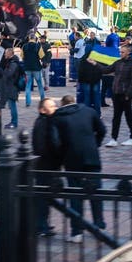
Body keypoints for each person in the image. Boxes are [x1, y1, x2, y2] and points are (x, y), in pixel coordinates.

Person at [52, 94, 107, 243]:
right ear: (74, 102)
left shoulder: (57, 117)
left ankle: (77, 232)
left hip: (72, 160)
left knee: (75, 197)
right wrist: (95, 144)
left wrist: (62, 157)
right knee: (95, 193)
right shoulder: (89, 111)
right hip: (92, 157)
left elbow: (56, 142)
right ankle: (99, 225)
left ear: (62, 104)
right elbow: (102, 130)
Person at [32, 97, 62, 237]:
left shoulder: (49, 121)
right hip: (45, 165)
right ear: (42, 110)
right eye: (51, 106)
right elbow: (41, 146)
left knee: (47, 196)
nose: (55, 108)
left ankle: (43, 223)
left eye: (55, 106)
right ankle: (40, 225)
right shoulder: (42, 123)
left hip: (49, 165)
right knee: (43, 197)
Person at [99, 42, 132, 146]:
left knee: (128, 116)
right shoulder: (118, 63)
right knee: (116, 117)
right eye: (120, 52)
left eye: (122, 52)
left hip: (125, 95)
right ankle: (114, 138)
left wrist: (129, 94)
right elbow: (107, 70)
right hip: (116, 93)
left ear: (128, 53)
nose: (120, 53)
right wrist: (96, 64)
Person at [77, 31, 102, 114]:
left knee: (87, 97)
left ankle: (87, 113)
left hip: (86, 81)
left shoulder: (83, 59)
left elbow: (80, 71)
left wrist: (80, 81)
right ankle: (97, 113)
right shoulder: (97, 59)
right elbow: (100, 69)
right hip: (95, 80)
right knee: (96, 97)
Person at [22, 37, 46, 107]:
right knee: (40, 85)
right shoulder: (38, 46)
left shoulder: (24, 46)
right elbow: (42, 57)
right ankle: (43, 100)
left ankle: (28, 102)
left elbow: (22, 57)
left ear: (29, 39)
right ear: (35, 39)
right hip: (36, 68)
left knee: (28, 85)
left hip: (27, 68)